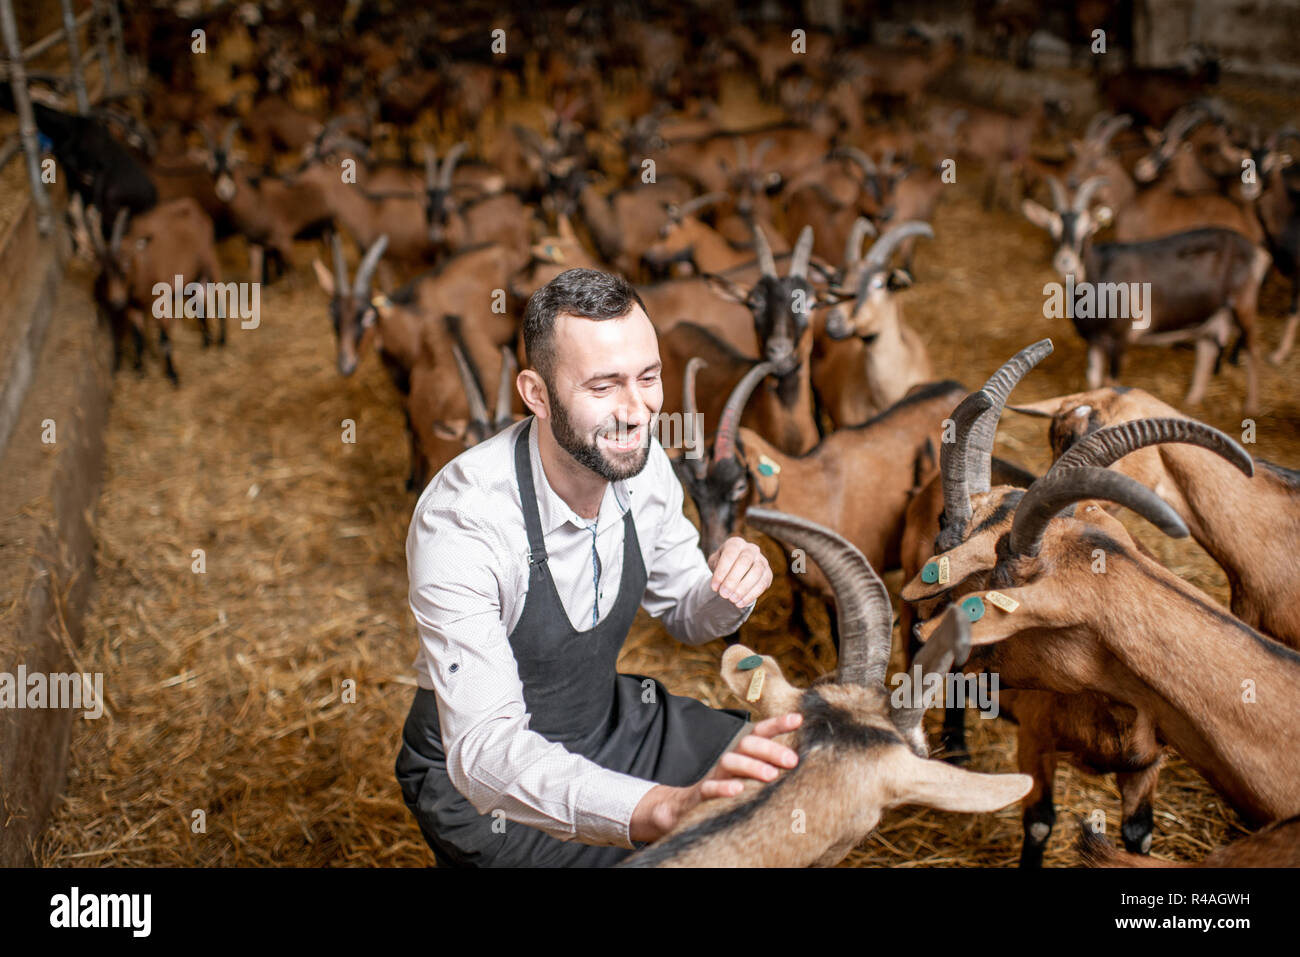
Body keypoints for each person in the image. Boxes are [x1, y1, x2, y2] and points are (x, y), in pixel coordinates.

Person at [394, 267, 802, 866]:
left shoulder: (642, 466)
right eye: (604, 386)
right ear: (536, 393)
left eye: (648, 378)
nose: (637, 411)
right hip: (484, 788)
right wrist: (659, 808)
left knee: (787, 777)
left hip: (610, 724)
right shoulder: (463, 520)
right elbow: (484, 751)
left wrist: (729, 587)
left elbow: (687, 616)